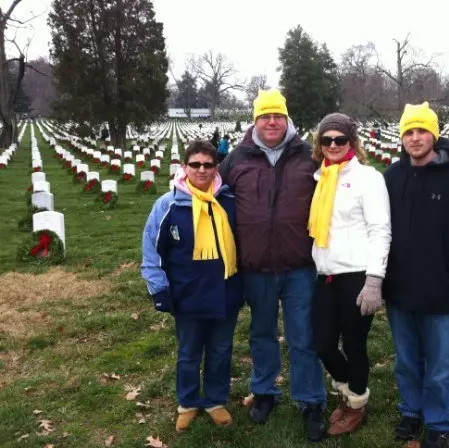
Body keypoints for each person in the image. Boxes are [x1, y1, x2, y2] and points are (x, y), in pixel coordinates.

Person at [219, 89, 327, 442]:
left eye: (277, 115)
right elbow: (206, 189)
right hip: (256, 266)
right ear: (255, 120)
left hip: (299, 265)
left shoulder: (308, 156)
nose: (271, 121)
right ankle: (264, 390)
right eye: (264, 115)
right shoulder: (237, 159)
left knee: (303, 336)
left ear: (286, 118)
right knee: (262, 333)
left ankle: (310, 400)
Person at [141, 140, 244, 433]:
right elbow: (152, 249)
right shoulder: (168, 205)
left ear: (216, 168)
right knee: (189, 352)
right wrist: (159, 289)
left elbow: (244, 244)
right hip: (187, 294)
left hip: (226, 291)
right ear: (185, 167)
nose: (201, 169)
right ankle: (187, 402)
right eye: (195, 164)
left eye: (208, 164)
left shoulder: (229, 202)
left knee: (221, 349)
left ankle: (214, 400)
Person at [309, 113, 391, 436]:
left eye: (339, 140)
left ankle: (356, 404)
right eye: (326, 140)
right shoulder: (320, 179)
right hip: (326, 276)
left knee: (354, 343)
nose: (332, 145)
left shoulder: (368, 178)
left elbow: (380, 230)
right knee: (323, 344)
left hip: (358, 276)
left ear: (352, 143)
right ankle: (346, 390)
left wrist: (375, 280)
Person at [384, 102, 449, 448]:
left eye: (421, 130)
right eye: (409, 131)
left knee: (440, 366)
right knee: (407, 360)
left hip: (440, 289)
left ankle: (439, 421)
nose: (415, 137)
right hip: (400, 289)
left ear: (434, 135)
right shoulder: (392, 177)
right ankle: (411, 410)